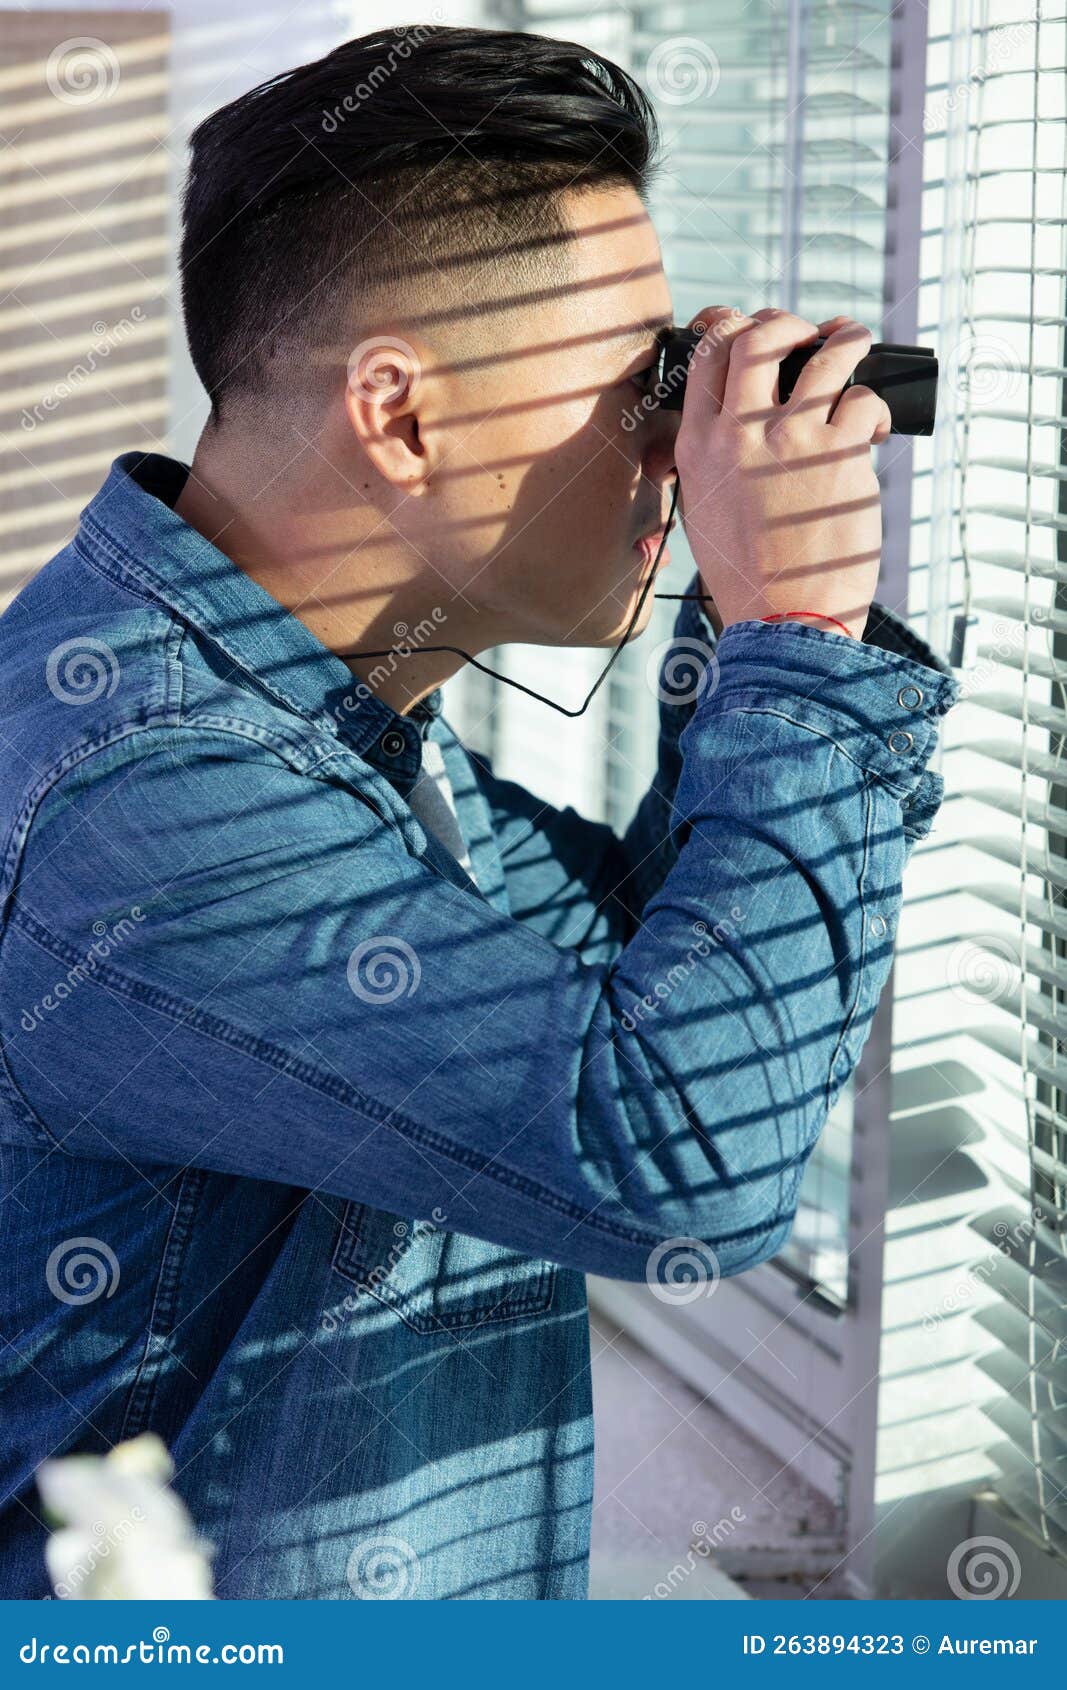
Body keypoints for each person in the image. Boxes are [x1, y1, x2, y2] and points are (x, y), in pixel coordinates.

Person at [0, 24, 958, 1600]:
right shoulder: (146, 796)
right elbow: (682, 1158)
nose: (674, 447)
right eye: (642, 382)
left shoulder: (298, 714)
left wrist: (766, 628)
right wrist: (797, 640)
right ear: (400, 417)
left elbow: (642, 978)